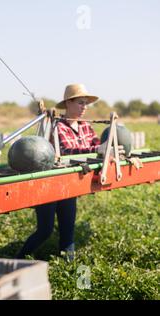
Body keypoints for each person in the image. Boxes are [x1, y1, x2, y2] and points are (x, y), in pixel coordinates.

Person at [16, 84, 106, 261]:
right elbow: (65, 151)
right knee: (45, 230)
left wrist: (107, 149)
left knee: (68, 231)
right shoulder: (57, 126)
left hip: (69, 185)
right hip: (50, 184)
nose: (84, 107)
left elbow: (95, 145)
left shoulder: (86, 126)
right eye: (80, 103)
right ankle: (15, 260)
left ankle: (70, 273)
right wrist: (98, 149)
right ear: (69, 103)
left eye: (86, 104)